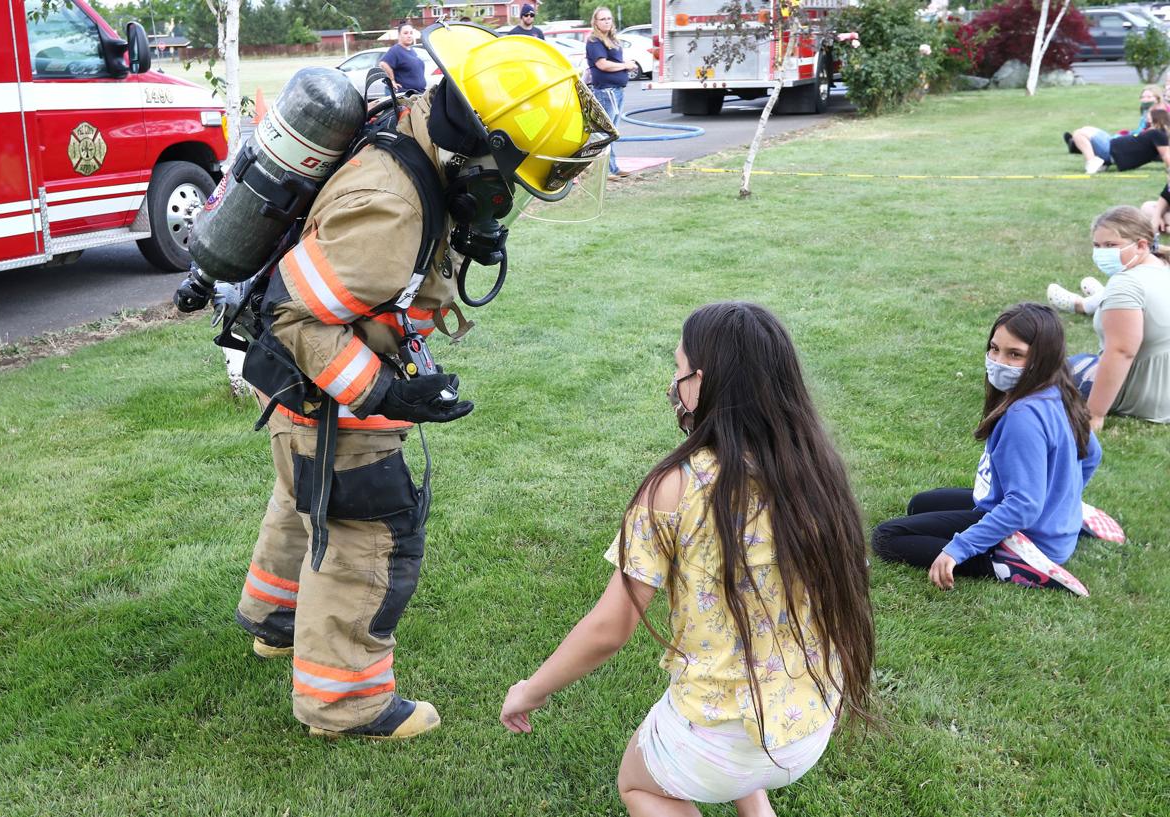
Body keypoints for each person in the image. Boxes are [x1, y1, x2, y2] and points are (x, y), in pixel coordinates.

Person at [231, 23, 618, 741]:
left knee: (304, 496)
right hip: (319, 385)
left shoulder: (420, 133)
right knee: (367, 526)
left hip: (294, 391)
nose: (507, 201)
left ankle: (274, 621)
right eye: (511, 181)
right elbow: (294, 312)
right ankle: (344, 702)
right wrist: (382, 392)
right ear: (480, 152)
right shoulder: (392, 205)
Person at [500, 302, 875, 816]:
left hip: (717, 742)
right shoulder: (816, 473)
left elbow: (610, 628)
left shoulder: (673, 489)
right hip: (809, 724)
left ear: (704, 383)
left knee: (640, 785)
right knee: (746, 677)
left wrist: (531, 689)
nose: (675, 383)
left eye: (680, 371)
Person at [872, 303, 1102, 594]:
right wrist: (1060, 501)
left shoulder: (1023, 418)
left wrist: (958, 549)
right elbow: (1093, 454)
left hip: (1030, 540)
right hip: (1047, 526)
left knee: (886, 537)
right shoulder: (1059, 391)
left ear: (1042, 359)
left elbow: (1023, 506)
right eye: (994, 349)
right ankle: (1063, 527)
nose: (998, 361)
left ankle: (1009, 566)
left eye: (1014, 354)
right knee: (920, 503)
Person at [1063, 206, 1170, 428]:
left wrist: (1094, 414)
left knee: (1047, 368)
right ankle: (1095, 300)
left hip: (1142, 399)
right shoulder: (1163, 267)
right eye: (1097, 245)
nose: (1101, 252)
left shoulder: (1126, 284)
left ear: (1141, 245)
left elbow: (1121, 351)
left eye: (1111, 245)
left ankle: (1087, 303)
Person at [585, 6, 636, 181]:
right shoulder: (594, 41)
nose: (607, 21)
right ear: (596, 22)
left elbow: (612, 62)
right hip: (606, 92)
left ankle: (612, 168)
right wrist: (625, 66)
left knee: (611, 132)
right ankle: (603, 170)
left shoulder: (611, 39)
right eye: (603, 19)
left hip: (617, 91)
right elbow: (602, 65)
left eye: (609, 18)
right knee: (605, 133)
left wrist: (626, 64)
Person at [1063, 85, 1165, 156]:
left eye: (1148, 97)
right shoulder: (1145, 111)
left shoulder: (1159, 112)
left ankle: (1076, 146)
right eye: (1142, 97)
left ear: (1157, 98)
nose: (1144, 99)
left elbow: (1152, 133)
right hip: (1137, 139)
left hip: (1142, 145)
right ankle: (1076, 144)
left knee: (1109, 142)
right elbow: (1141, 130)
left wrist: (1131, 135)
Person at [1067, 108, 1170, 175]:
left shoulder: (1159, 134)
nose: (1147, 117)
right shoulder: (1155, 133)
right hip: (1111, 144)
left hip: (1111, 150)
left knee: (1079, 134)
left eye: (1149, 115)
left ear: (1156, 117)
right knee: (1083, 130)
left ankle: (1092, 161)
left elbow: (1165, 154)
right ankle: (1096, 161)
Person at [379, 23, 426, 94]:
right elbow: (383, 64)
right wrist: (392, 81)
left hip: (418, 93)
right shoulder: (396, 50)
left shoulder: (412, 50)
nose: (409, 36)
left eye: (411, 33)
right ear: (399, 35)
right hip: (407, 95)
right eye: (405, 33)